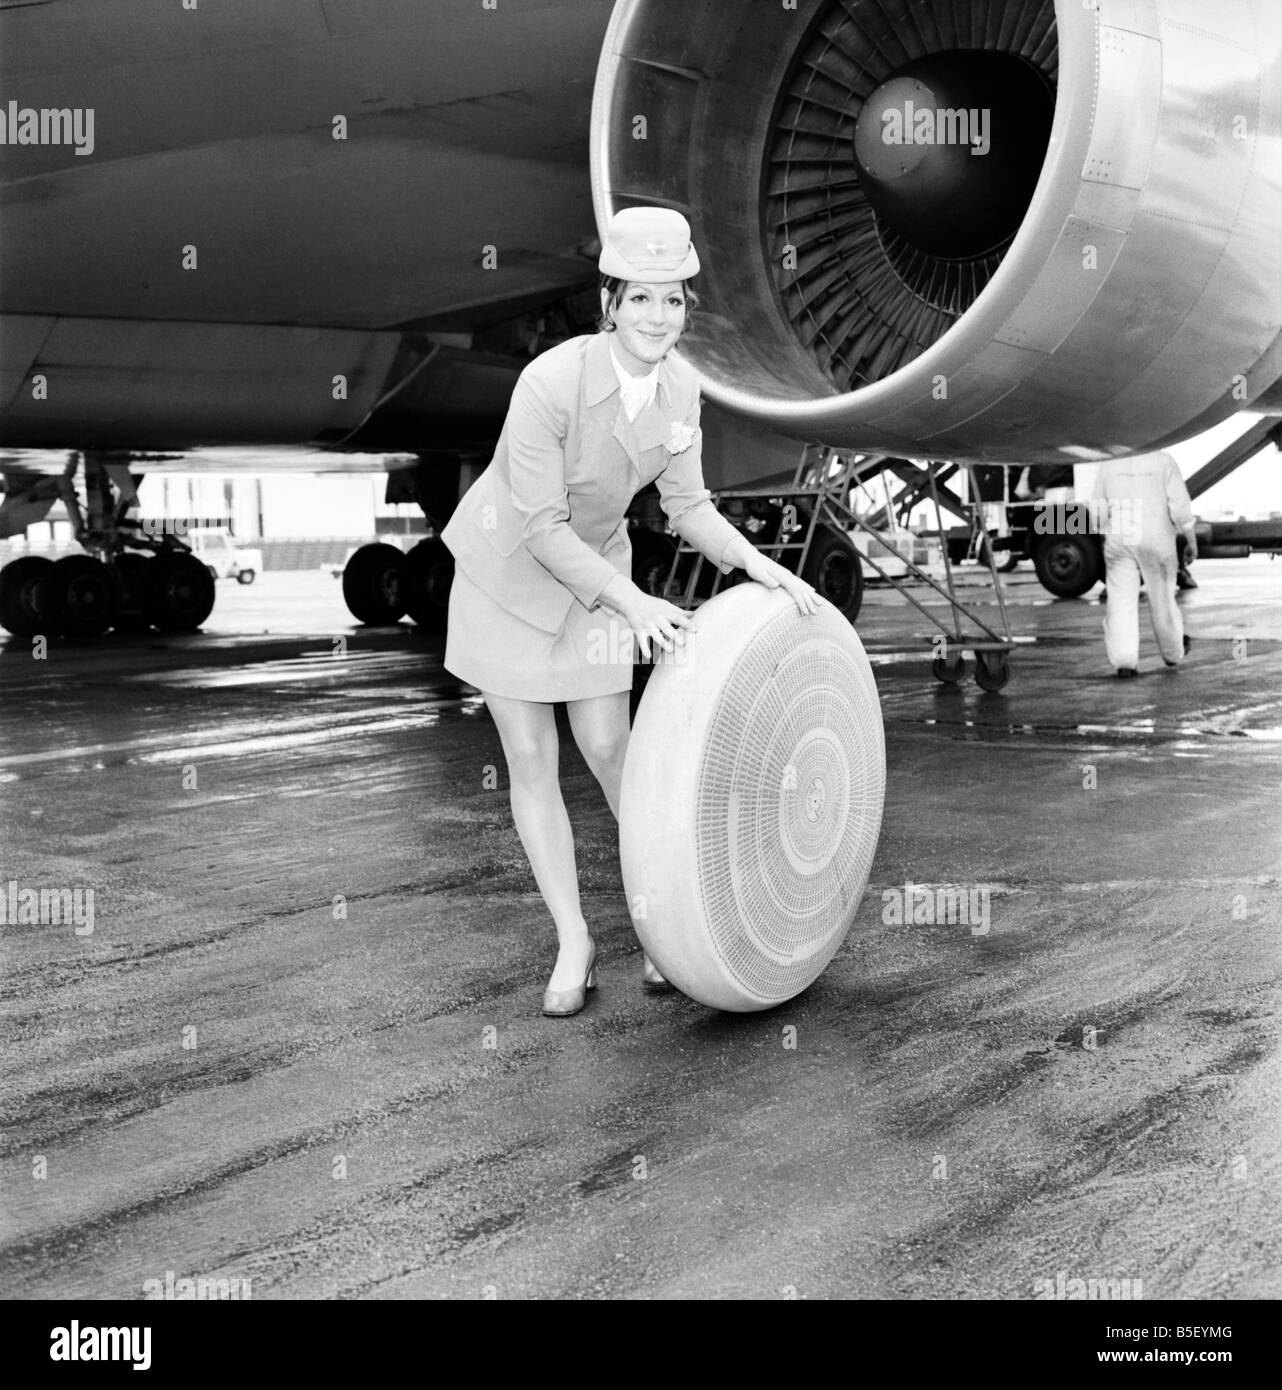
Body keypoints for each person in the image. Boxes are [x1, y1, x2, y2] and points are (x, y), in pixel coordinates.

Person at [440, 207, 818, 1017]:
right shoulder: (550, 382)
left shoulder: (683, 388)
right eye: (640, 298)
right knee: (532, 760)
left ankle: (661, 923)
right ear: (608, 301)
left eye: (674, 299)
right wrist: (636, 600)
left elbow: (687, 506)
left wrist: (761, 566)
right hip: (506, 573)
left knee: (615, 749)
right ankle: (573, 939)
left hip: (598, 578)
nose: (658, 317)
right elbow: (540, 527)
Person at [1091, 451, 1196, 677]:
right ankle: (1172, 654)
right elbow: (1179, 503)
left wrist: (1103, 534)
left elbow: (1098, 506)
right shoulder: (1164, 460)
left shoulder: (1109, 463)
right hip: (1156, 537)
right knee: (1163, 600)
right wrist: (1190, 537)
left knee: (1120, 602)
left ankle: (1125, 662)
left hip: (1120, 536)